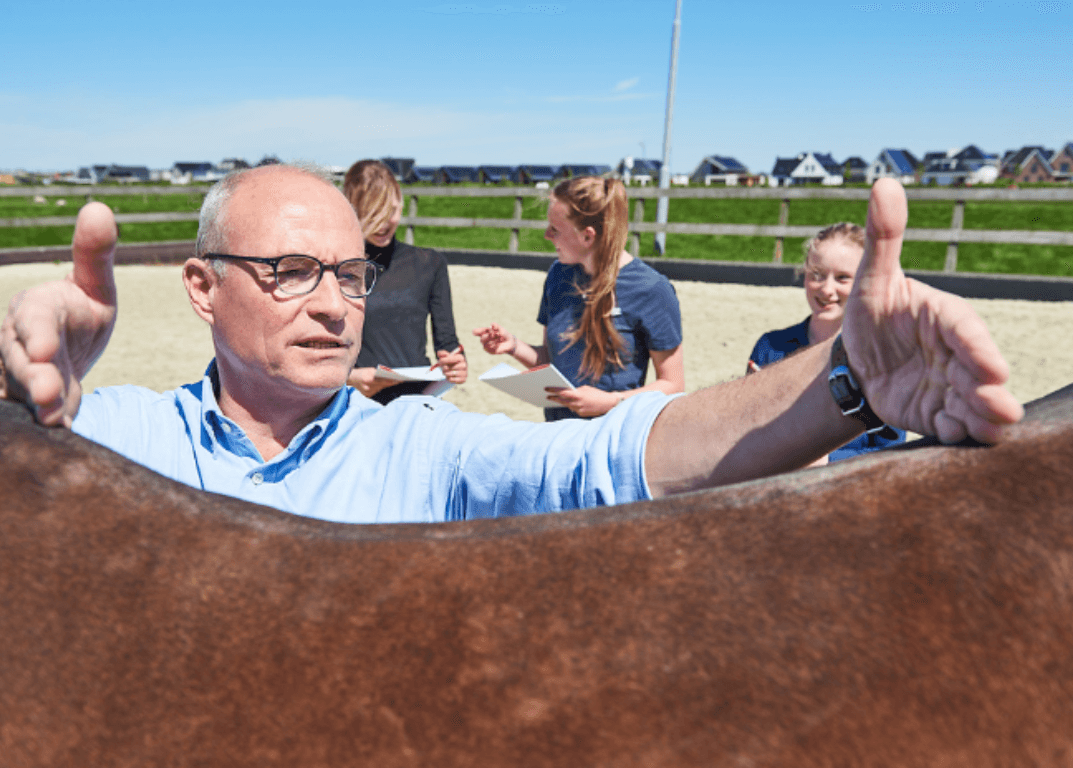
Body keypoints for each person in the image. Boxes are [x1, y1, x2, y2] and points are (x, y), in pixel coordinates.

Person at [0, 164, 1024, 525]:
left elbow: (627, 456)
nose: (332, 306)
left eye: (351, 276)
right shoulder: (105, 440)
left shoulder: (421, 448)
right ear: (200, 285)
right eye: (290, 272)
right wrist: (15, 401)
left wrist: (840, 379)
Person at [473, 176, 684, 420]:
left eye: (555, 229)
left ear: (588, 236)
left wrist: (610, 402)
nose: (546, 235)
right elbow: (554, 364)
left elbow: (673, 385)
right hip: (557, 436)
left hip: (612, 437)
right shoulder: (558, 275)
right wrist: (514, 346)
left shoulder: (651, 289)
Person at [747, 222, 907, 463]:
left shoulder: (884, 357)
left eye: (842, 278)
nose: (826, 289)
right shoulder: (770, 347)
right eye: (817, 275)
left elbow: (890, 450)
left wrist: (826, 461)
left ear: (867, 281)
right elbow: (745, 438)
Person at [342, 160, 467, 405]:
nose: (386, 221)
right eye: (374, 213)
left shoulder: (430, 264)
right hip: (355, 403)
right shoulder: (338, 268)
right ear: (352, 209)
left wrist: (457, 364)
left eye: (392, 210)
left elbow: (448, 344)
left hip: (417, 403)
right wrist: (350, 378)